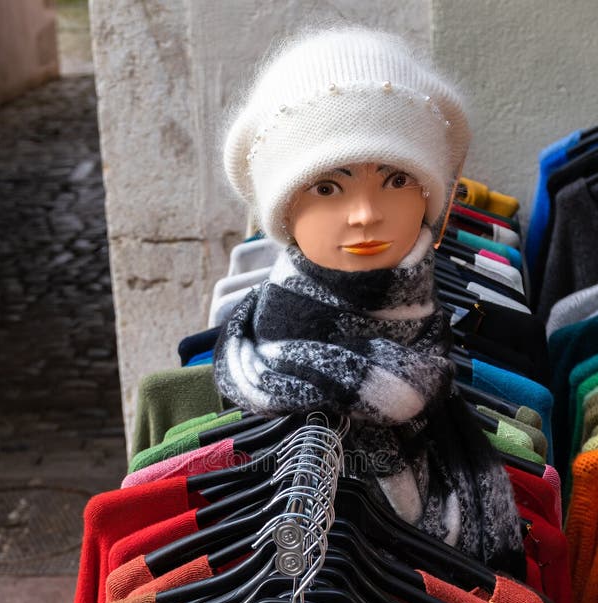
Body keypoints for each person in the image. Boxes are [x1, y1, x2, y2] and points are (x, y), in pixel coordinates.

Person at [213, 26, 525, 574]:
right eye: (328, 187)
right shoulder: (241, 382)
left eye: (397, 178)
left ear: (432, 199)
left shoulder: (443, 364)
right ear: (283, 212)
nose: (364, 213)